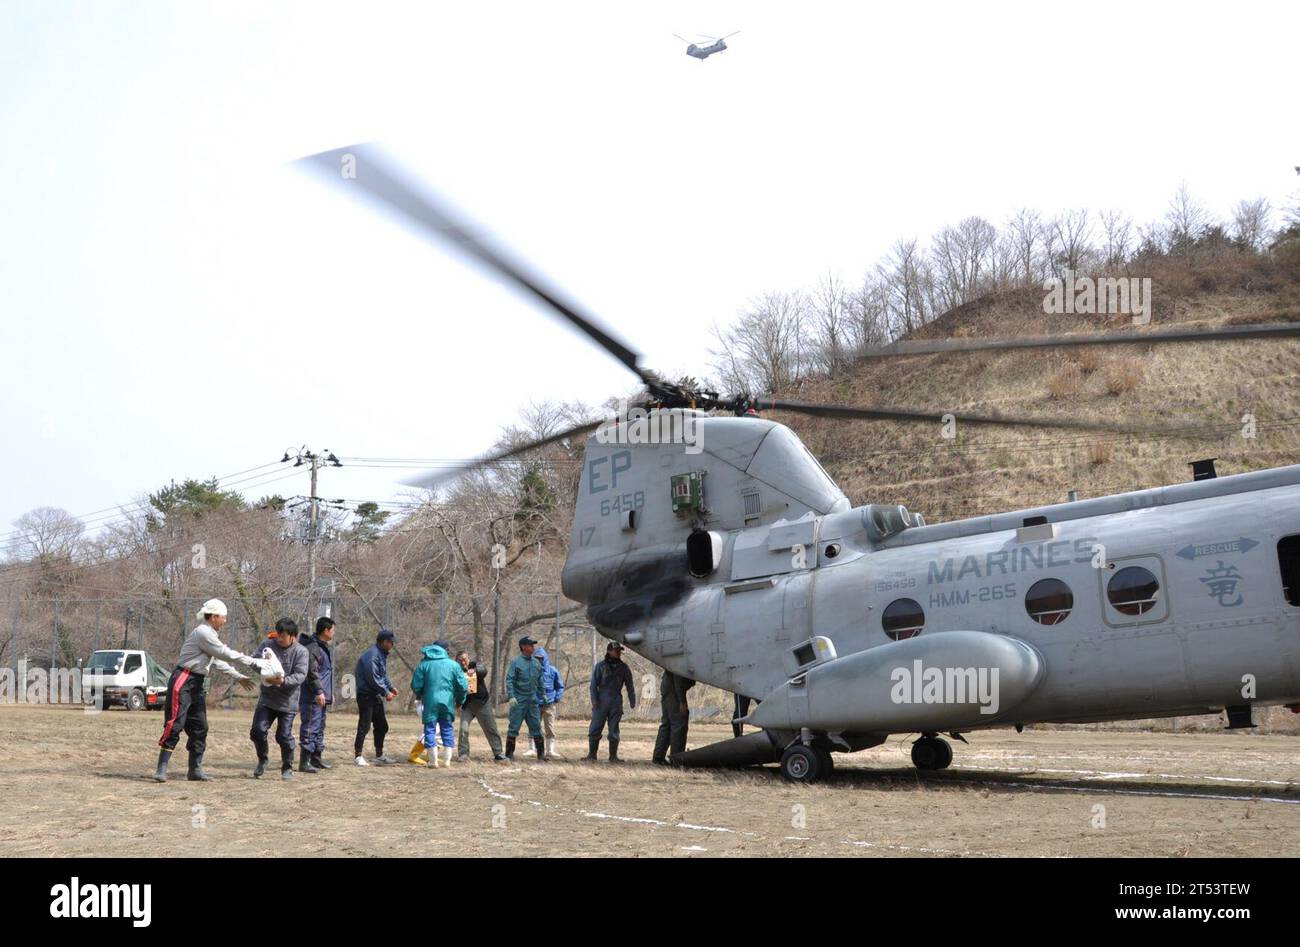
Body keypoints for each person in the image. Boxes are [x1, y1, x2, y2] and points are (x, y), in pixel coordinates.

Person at [154, 598, 264, 782]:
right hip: (183, 679)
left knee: (200, 726)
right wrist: (252, 662)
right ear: (213, 617)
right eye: (223, 617)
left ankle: (194, 769)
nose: (225, 620)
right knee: (175, 723)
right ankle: (161, 768)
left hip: (196, 682)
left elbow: (218, 661)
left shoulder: (210, 635)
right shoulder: (203, 632)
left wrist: (238, 676)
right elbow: (224, 653)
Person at [249, 618, 310, 780]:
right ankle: (263, 759)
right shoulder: (267, 645)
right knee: (257, 731)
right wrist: (264, 669)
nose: (279, 639)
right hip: (267, 699)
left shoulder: (301, 652)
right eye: (278, 635)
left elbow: (300, 675)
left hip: (287, 702)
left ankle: (287, 767)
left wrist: (283, 681)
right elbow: (253, 660)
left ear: (293, 637)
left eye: (283, 636)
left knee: (283, 736)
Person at [409, 641, 469, 768]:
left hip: (430, 701)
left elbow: (416, 685)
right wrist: (460, 701)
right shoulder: (454, 665)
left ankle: (433, 761)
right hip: (447, 701)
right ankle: (447, 761)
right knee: (447, 729)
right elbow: (463, 686)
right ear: (445, 651)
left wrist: (422, 693)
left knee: (430, 729)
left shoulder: (424, 664)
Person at [354, 629, 399, 766]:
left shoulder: (381, 655)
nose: (392, 645)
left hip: (375, 694)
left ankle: (379, 755)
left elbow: (382, 675)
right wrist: (386, 692)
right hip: (366, 695)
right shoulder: (373, 656)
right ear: (385, 642)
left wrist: (390, 687)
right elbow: (373, 678)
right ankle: (358, 755)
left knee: (382, 726)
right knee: (364, 725)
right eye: (391, 642)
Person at [587, 641, 637, 762]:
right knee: (595, 728)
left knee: (614, 730)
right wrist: (594, 699)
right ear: (609, 651)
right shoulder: (600, 666)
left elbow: (630, 685)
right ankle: (592, 755)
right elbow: (593, 685)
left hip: (616, 701)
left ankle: (613, 756)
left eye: (620, 651)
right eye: (616, 650)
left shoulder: (624, 667)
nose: (619, 652)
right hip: (601, 701)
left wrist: (632, 699)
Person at [298, 617, 336, 772]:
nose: (334, 633)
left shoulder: (322, 647)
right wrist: (319, 691)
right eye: (333, 630)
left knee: (320, 727)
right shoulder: (313, 648)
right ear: (326, 631)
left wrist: (328, 693)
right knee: (310, 728)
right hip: (312, 696)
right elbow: (311, 673)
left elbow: (325, 673)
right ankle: (304, 761)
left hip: (322, 696)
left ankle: (316, 759)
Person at [504, 635, 546, 762]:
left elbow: (540, 680)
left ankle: (541, 754)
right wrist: (511, 696)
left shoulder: (536, 663)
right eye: (530, 645)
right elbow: (510, 679)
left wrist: (543, 693)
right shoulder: (516, 662)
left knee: (536, 727)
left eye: (533, 645)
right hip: (519, 700)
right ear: (523, 647)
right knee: (514, 727)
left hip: (532, 701)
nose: (533, 647)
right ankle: (509, 754)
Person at [456, 651, 505, 761]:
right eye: (460, 660)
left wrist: (474, 671)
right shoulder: (456, 671)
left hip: (482, 703)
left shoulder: (475, 665)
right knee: (463, 729)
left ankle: (498, 753)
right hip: (467, 705)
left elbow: (484, 670)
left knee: (491, 728)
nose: (463, 662)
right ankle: (463, 754)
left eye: (464, 659)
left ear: (468, 658)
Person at [523, 646, 565, 759]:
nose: (539, 660)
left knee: (549, 727)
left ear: (545, 658)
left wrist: (556, 697)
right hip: (534, 704)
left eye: (541, 658)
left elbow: (560, 686)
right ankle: (532, 749)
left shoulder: (553, 671)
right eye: (536, 658)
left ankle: (550, 750)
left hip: (549, 704)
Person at [652, 670, 695, 765]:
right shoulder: (682, 663)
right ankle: (677, 759)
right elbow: (678, 680)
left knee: (667, 725)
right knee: (679, 724)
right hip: (674, 690)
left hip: (668, 687)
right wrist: (682, 701)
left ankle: (658, 758)